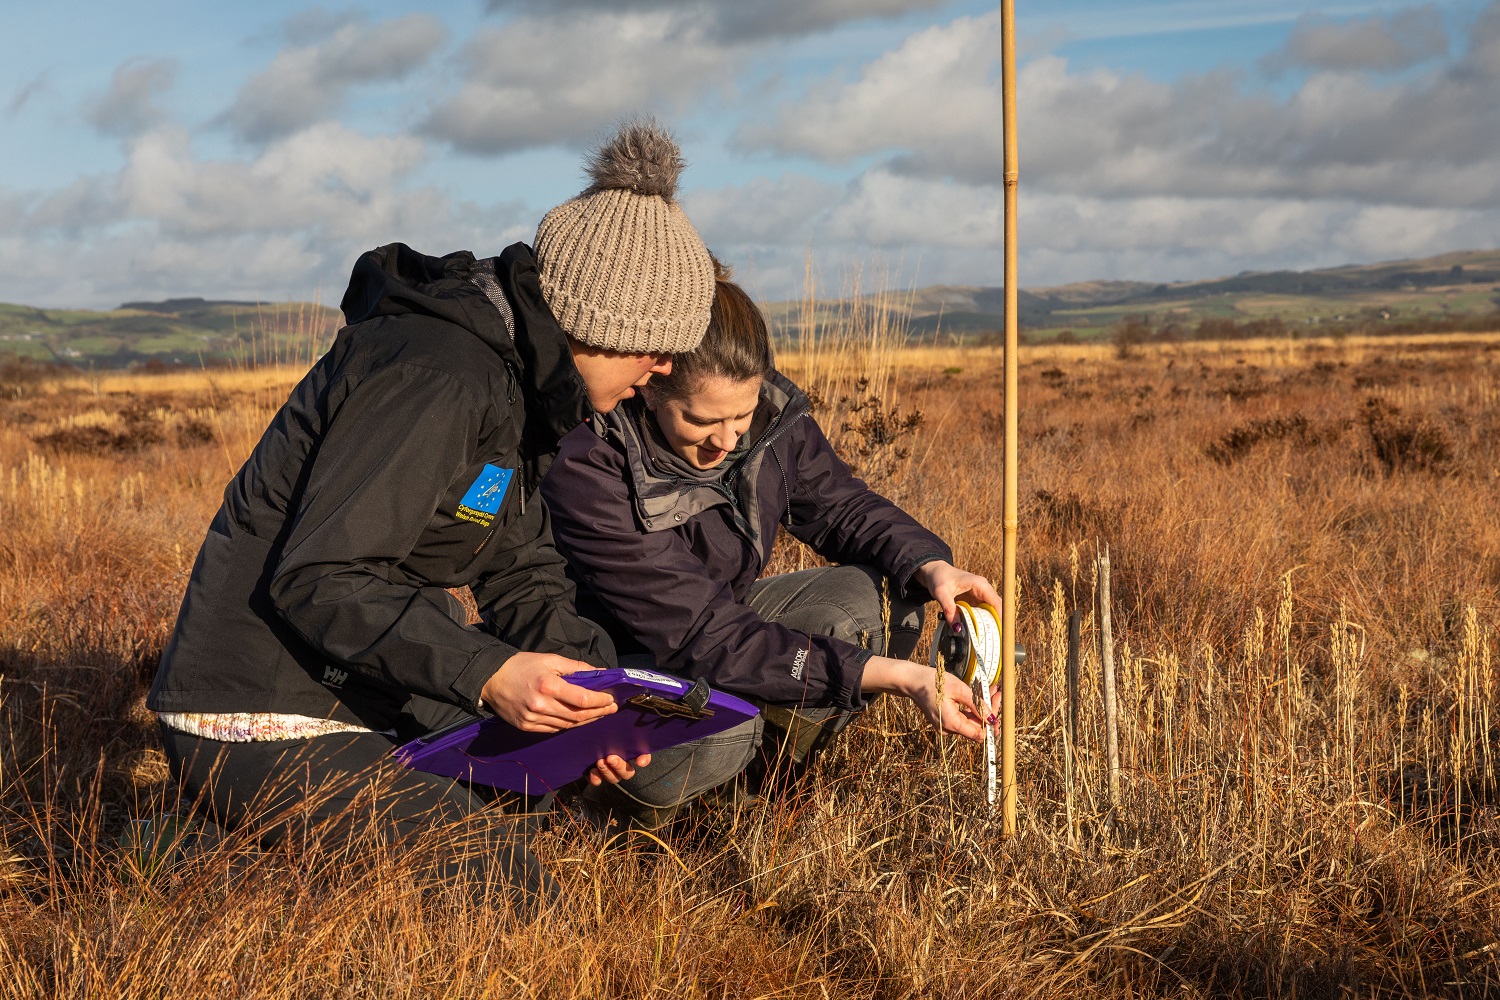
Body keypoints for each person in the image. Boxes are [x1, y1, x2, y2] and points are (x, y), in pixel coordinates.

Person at [146, 121, 717, 908]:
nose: (664, 368)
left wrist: (599, 701)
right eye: (656, 346)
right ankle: (190, 860)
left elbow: (522, 571)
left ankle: (230, 846)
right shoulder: (439, 375)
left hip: (357, 684)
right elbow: (322, 577)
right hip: (260, 703)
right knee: (510, 897)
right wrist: (487, 672)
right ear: (601, 324)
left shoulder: (517, 390)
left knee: (524, 796)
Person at [540, 262, 1003, 831]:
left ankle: (759, 795)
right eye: (701, 421)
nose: (727, 440)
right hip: (617, 662)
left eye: (742, 414)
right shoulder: (590, 461)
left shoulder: (769, 419)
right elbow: (704, 633)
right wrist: (901, 677)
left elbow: (839, 505)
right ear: (650, 384)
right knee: (724, 726)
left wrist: (932, 565)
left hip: (724, 629)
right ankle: (596, 812)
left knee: (875, 600)